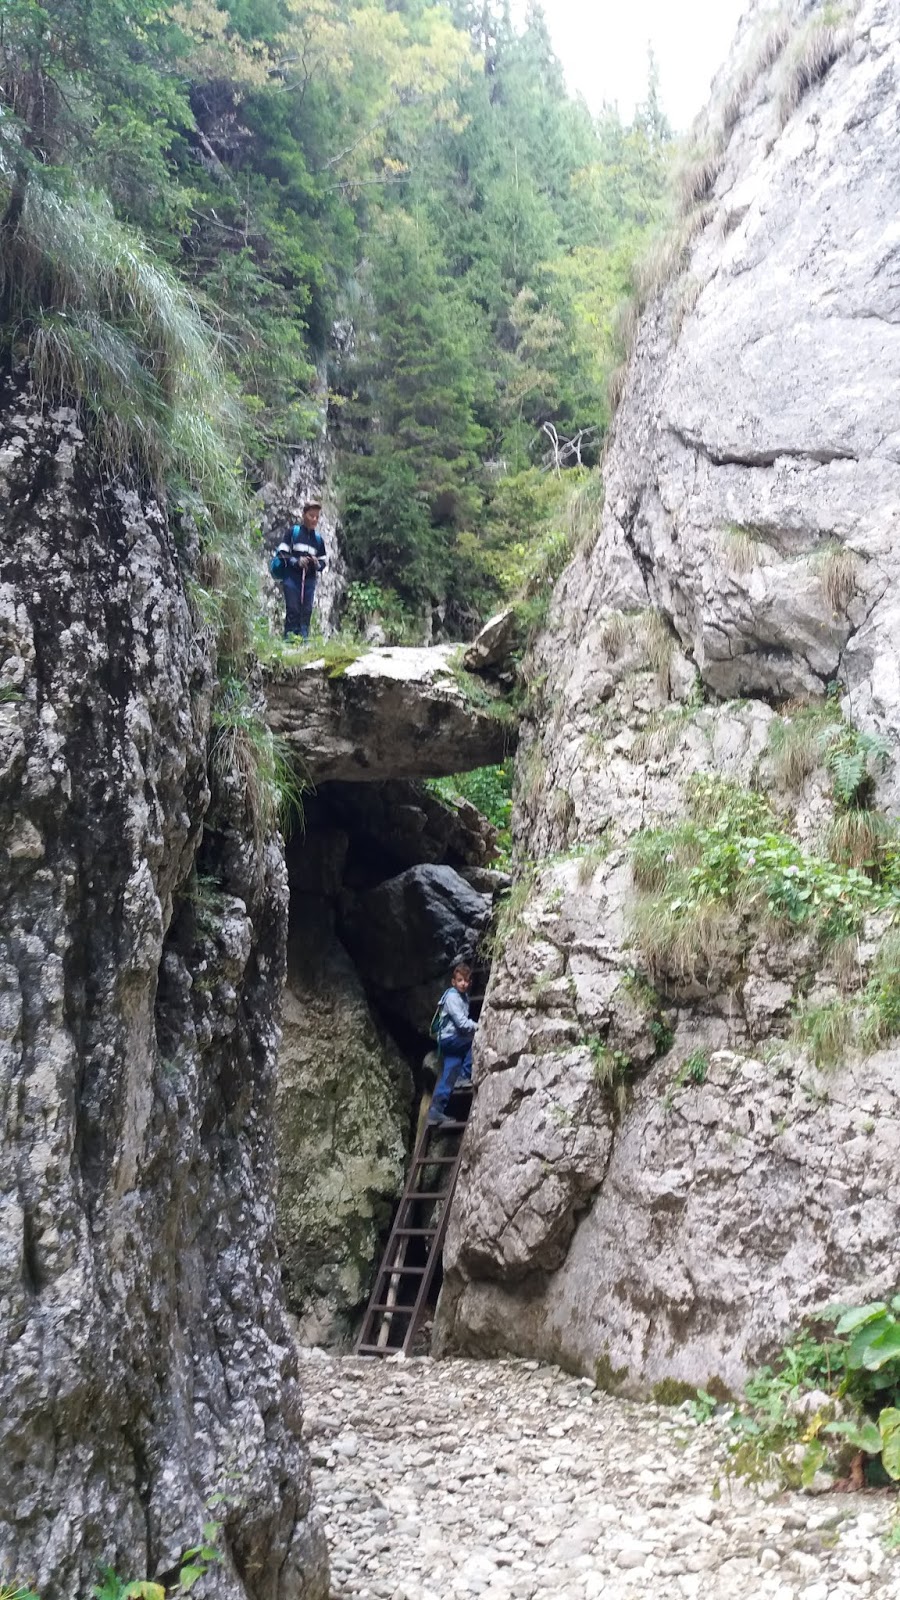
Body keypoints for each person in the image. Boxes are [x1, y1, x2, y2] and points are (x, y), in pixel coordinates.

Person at [427, 962, 476, 1129]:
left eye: (466, 980)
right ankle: (464, 1077)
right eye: (460, 980)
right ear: (453, 982)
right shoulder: (453, 997)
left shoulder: (463, 998)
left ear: (469, 982)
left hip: (450, 1039)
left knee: (449, 1073)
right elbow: (462, 1023)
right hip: (450, 1038)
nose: (463, 983)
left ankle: (435, 1111)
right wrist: (479, 1027)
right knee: (474, 1042)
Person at [272, 501, 327, 640]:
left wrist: (316, 563)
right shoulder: (293, 533)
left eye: (317, 517)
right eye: (311, 515)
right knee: (293, 609)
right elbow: (282, 553)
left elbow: (323, 562)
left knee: (306, 611)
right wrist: (296, 562)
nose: (314, 519)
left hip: (309, 580)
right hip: (291, 578)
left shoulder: (318, 540)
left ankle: (303, 642)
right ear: (304, 515)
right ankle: (289, 641)